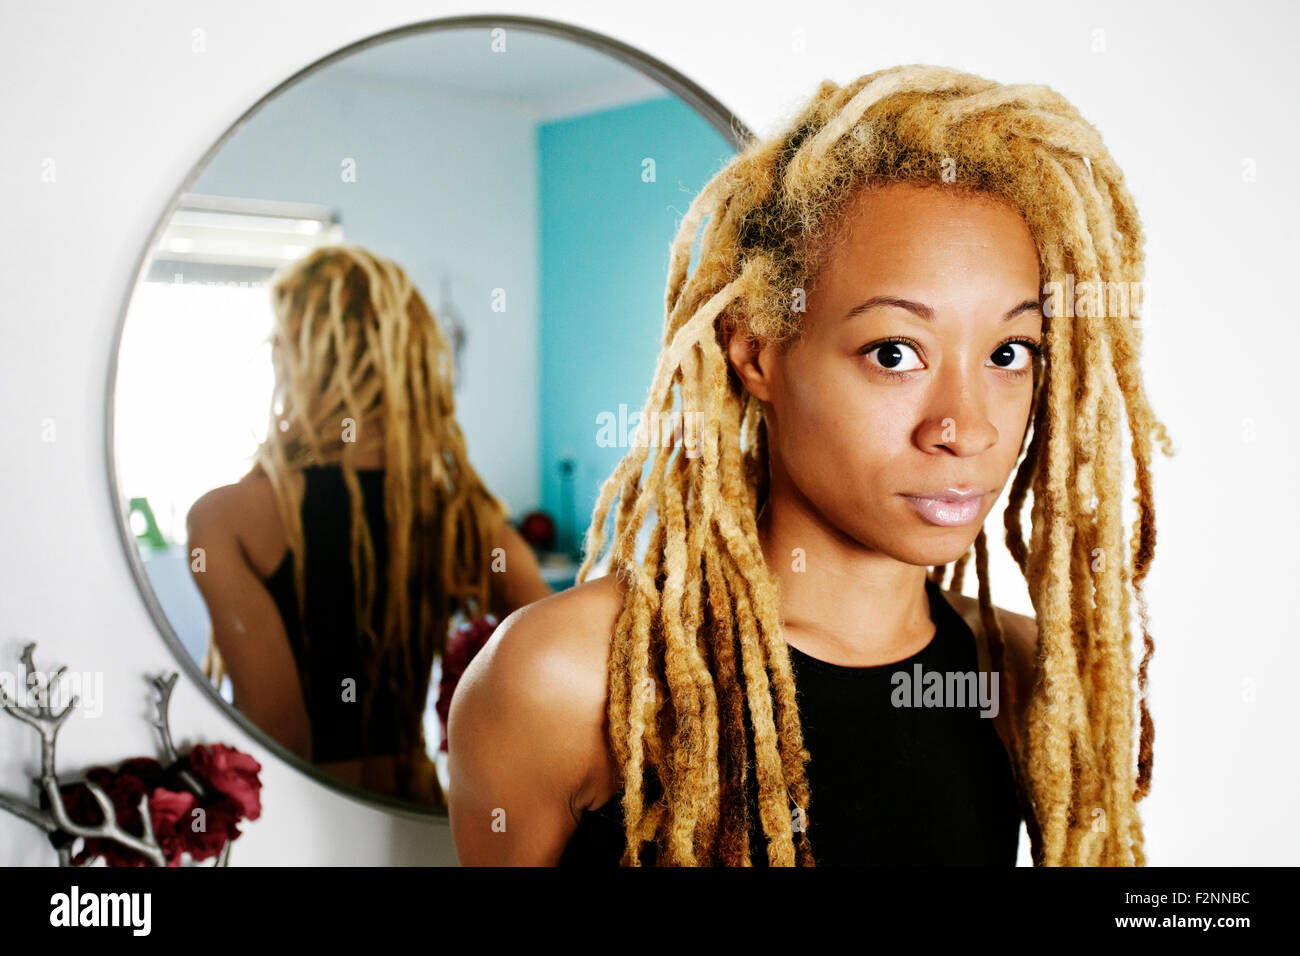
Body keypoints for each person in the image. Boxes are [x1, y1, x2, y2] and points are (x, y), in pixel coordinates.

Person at [447, 65, 1174, 865]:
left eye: (1009, 352)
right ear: (756, 353)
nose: (964, 428)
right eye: (894, 353)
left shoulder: (1024, 677)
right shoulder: (566, 679)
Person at [186, 245, 552, 805]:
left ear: (293, 358)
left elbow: (280, 735)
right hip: (418, 816)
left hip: (305, 827)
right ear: (410, 356)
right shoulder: (462, 516)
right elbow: (561, 674)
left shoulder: (226, 518)